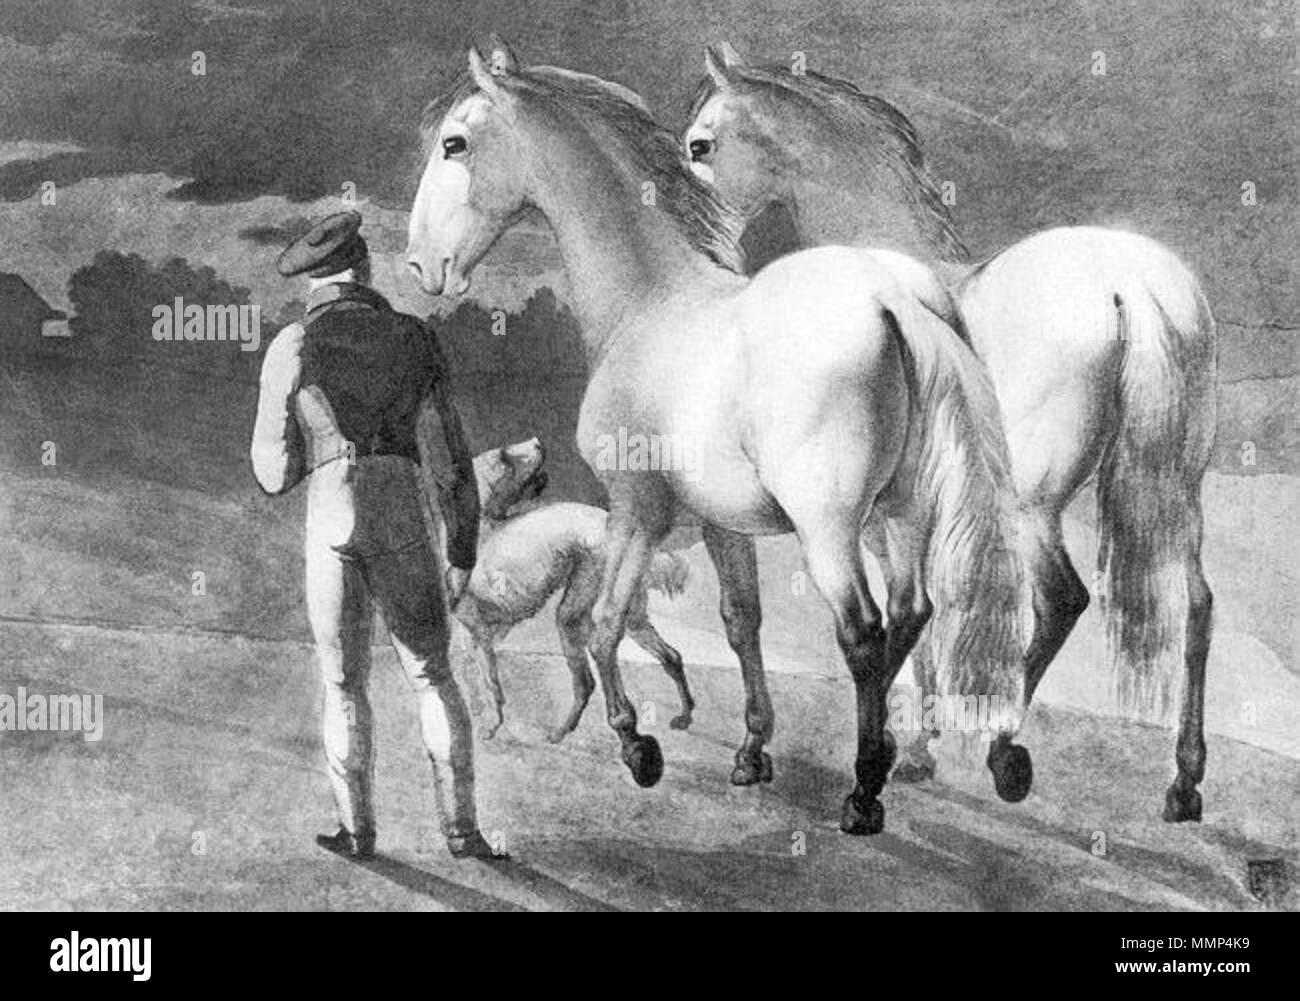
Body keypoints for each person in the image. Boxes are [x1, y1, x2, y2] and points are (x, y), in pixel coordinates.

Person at [249, 210, 500, 861]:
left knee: (341, 682)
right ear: (364, 269)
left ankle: (357, 831)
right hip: (400, 506)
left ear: (313, 282)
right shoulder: (415, 338)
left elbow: (272, 474)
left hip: (331, 510)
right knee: (431, 673)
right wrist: (462, 547)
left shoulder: (293, 345)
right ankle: (462, 830)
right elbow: (449, 461)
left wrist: (317, 448)